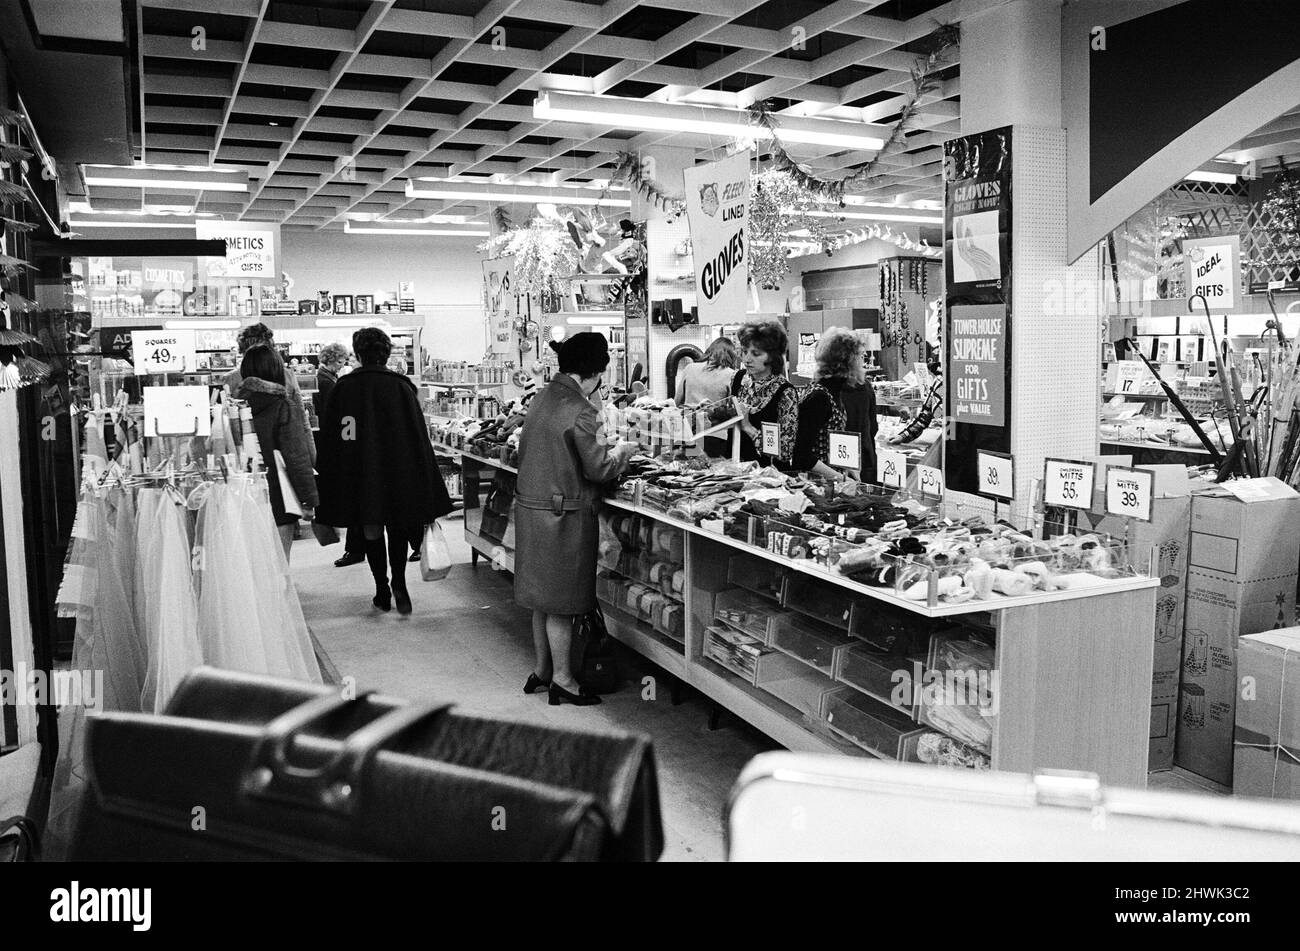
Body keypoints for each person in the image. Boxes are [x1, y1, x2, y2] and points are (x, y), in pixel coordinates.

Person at [515, 332, 636, 707]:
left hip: (533, 511)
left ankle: (543, 671)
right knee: (565, 603)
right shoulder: (582, 410)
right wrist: (624, 452)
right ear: (595, 370)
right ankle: (565, 681)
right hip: (563, 517)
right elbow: (599, 468)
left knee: (542, 599)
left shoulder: (542, 398)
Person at [316, 328, 453, 615]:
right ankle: (400, 584)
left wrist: (349, 456)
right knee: (399, 526)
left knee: (371, 527)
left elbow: (344, 431)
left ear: (358, 353)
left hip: (363, 471)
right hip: (399, 468)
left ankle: (381, 588)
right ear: (387, 353)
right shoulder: (402, 387)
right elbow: (417, 436)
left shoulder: (345, 387)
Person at [237, 346, 319, 563]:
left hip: (241, 494)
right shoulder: (283, 406)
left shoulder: (236, 405)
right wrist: (309, 500)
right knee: (279, 565)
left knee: (252, 564)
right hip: (279, 495)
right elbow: (296, 456)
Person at [226, 322, 315, 465]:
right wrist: (310, 455)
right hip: (284, 445)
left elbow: (231, 425)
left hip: (247, 453)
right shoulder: (287, 376)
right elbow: (301, 419)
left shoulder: (232, 378)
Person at [716, 320, 798, 468]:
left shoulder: (786, 393)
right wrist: (713, 412)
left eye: (756, 354)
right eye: (745, 351)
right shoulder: (738, 378)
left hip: (767, 479)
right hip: (734, 470)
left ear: (772, 356)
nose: (747, 359)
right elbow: (729, 421)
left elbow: (785, 452)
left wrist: (749, 428)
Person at [793, 327, 869, 479]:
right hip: (815, 486)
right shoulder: (820, 397)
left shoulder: (831, 391)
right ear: (848, 359)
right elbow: (802, 456)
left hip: (826, 482)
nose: (863, 361)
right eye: (860, 356)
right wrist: (840, 477)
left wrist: (846, 466)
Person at [674, 337, 738, 407]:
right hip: (714, 417)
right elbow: (733, 409)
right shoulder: (731, 374)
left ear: (710, 350)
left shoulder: (690, 368)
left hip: (688, 416)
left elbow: (677, 401)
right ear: (731, 355)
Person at [313, 342, 349, 418]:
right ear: (329, 361)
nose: (342, 366)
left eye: (344, 363)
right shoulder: (325, 381)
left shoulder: (329, 376)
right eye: (339, 362)